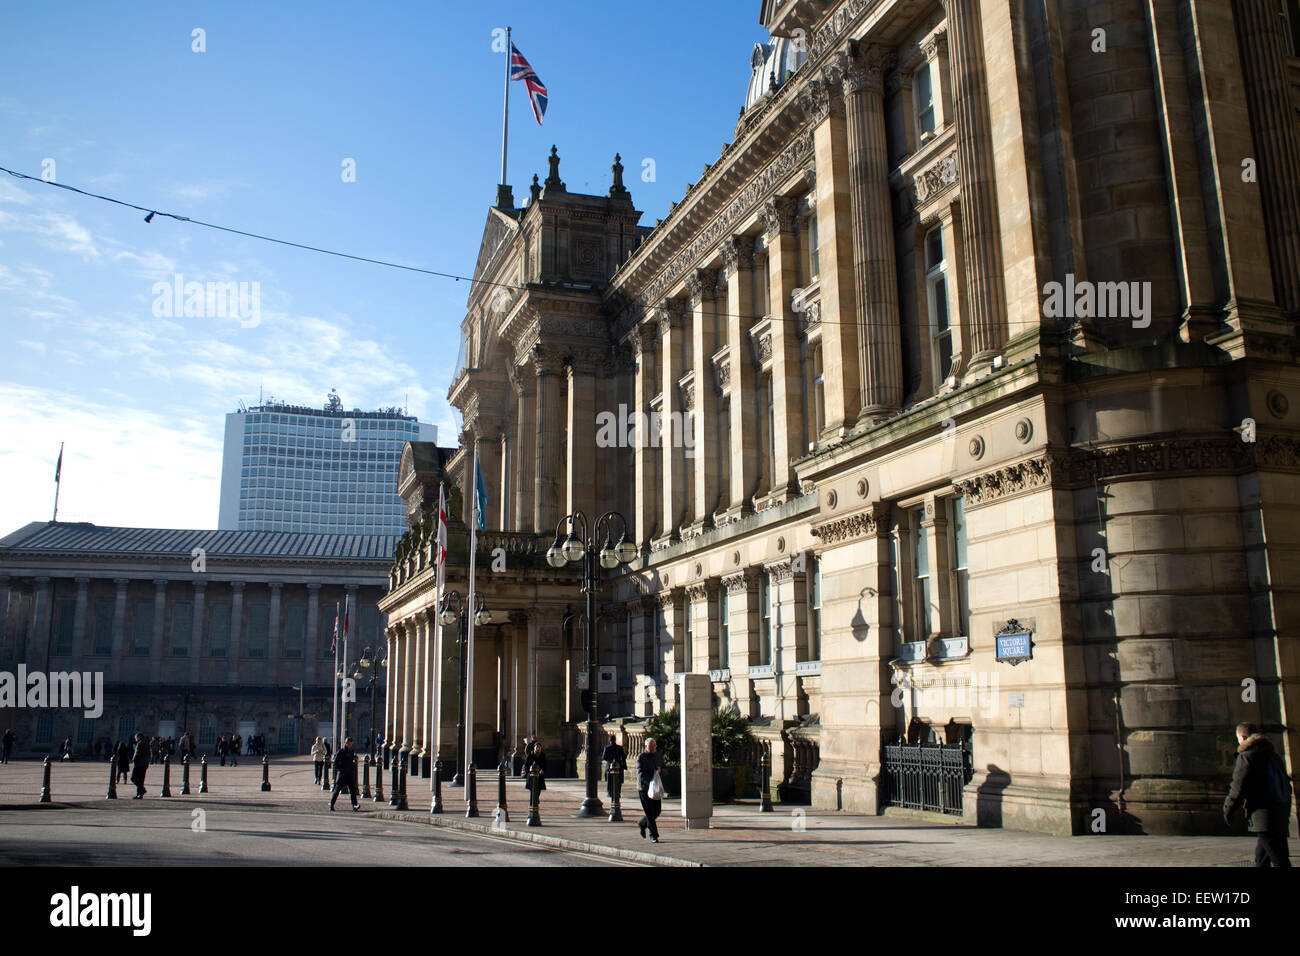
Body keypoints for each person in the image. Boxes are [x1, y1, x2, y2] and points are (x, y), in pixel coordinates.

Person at [1224, 722, 1293, 867]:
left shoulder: (1247, 756)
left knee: (1280, 860)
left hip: (1263, 815)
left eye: (1238, 738)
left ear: (1243, 737)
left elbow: (1238, 787)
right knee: (1262, 858)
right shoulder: (1273, 755)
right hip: (1280, 811)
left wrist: (1228, 809)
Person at [636, 738, 665, 843]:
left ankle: (642, 823)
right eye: (650, 746)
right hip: (644, 789)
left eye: (654, 745)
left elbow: (664, 768)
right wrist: (651, 778)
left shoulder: (658, 756)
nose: (653, 748)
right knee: (649, 812)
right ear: (646, 746)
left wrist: (660, 771)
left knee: (657, 810)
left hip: (655, 789)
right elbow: (641, 774)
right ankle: (654, 835)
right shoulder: (641, 757)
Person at [330, 737, 360, 812]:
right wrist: (341, 769)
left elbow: (351, 760)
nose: (350, 746)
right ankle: (332, 804)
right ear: (346, 743)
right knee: (337, 789)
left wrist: (354, 760)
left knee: (352, 790)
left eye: (351, 744)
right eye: (349, 744)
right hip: (342, 774)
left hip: (349, 773)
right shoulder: (341, 751)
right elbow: (335, 762)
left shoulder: (351, 751)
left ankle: (354, 805)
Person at [602, 732, 627, 801]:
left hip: (609, 766)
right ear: (615, 740)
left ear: (609, 740)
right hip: (618, 765)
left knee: (609, 781)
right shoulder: (620, 747)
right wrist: (624, 766)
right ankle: (618, 792)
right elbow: (623, 757)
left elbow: (604, 757)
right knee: (619, 781)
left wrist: (610, 760)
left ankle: (610, 792)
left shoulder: (607, 747)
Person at [130, 732, 150, 799]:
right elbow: (149, 753)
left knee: (133, 778)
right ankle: (139, 794)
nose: (135, 739)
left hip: (139, 763)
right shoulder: (147, 743)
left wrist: (134, 760)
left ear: (139, 737)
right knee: (141, 779)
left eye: (136, 737)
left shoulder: (140, 743)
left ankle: (142, 790)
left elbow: (137, 753)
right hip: (145, 763)